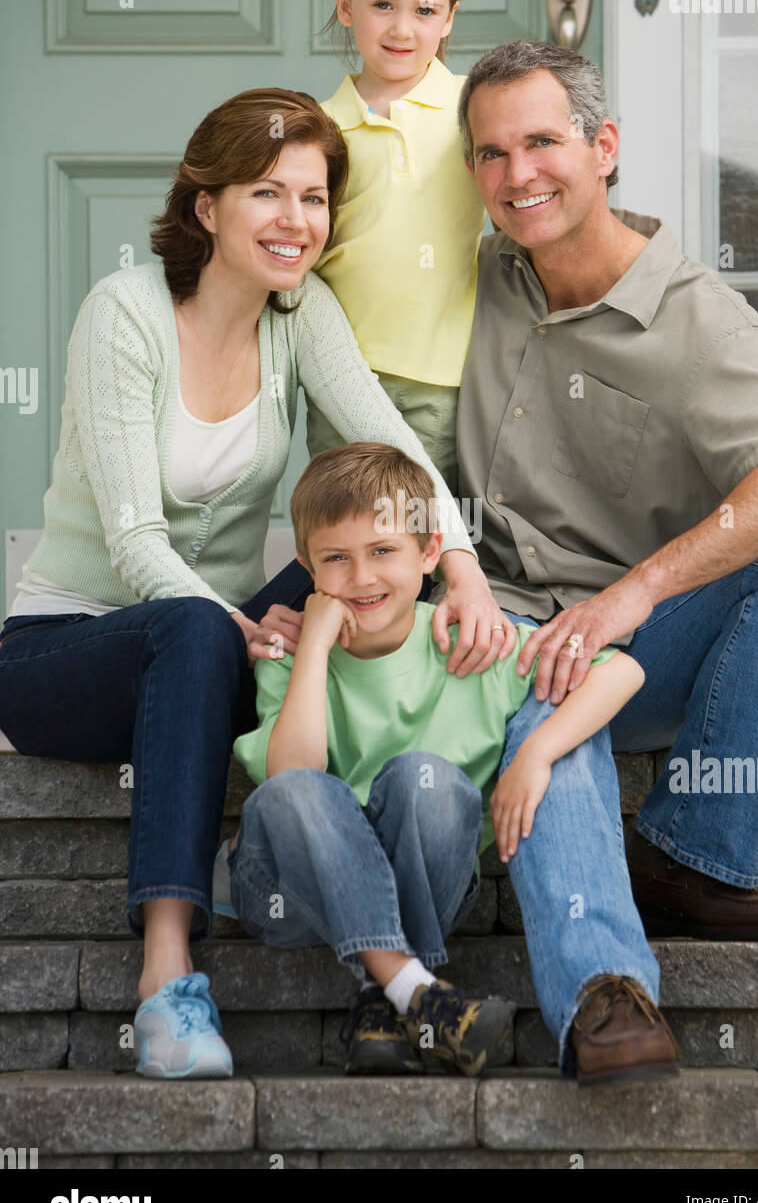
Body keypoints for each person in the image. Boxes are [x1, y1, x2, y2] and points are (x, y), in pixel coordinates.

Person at [0, 87, 512, 1080]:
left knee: (360, 571)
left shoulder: (299, 312)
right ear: (206, 209)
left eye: (315, 199)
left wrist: (462, 567)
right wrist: (246, 628)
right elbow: (135, 538)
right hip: (70, 650)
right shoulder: (126, 314)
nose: (296, 221)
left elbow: (389, 445)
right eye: (266, 193)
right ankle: (165, 983)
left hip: (219, 634)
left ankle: (329, 825)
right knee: (195, 624)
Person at [451, 38, 758, 1083]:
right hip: (504, 631)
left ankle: (691, 847)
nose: (517, 174)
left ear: (604, 149)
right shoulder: (483, 277)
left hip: (649, 641)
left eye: (541, 142)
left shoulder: (691, 316)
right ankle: (604, 993)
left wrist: (627, 595)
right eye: (489, 154)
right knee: (552, 701)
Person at [214, 442, 664, 1079]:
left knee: (426, 780)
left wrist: (534, 753)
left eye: (382, 552)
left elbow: (623, 670)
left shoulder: (467, 643)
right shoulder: (288, 655)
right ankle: (414, 992)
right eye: (335, 560)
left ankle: (386, 999)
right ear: (307, 566)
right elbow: (294, 773)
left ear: (429, 554)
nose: (362, 578)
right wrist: (314, 644)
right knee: (297, 791)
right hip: (287, 886)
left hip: (428, 884)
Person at [305, 0, 486, 495]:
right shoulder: (317, 126)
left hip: (442, 377)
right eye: (383, 4)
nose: (403, 28)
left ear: (450, 17)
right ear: (345, 6)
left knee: (422, 530)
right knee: (345, 527)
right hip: (340, 375)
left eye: (425, 9)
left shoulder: (474, 110)